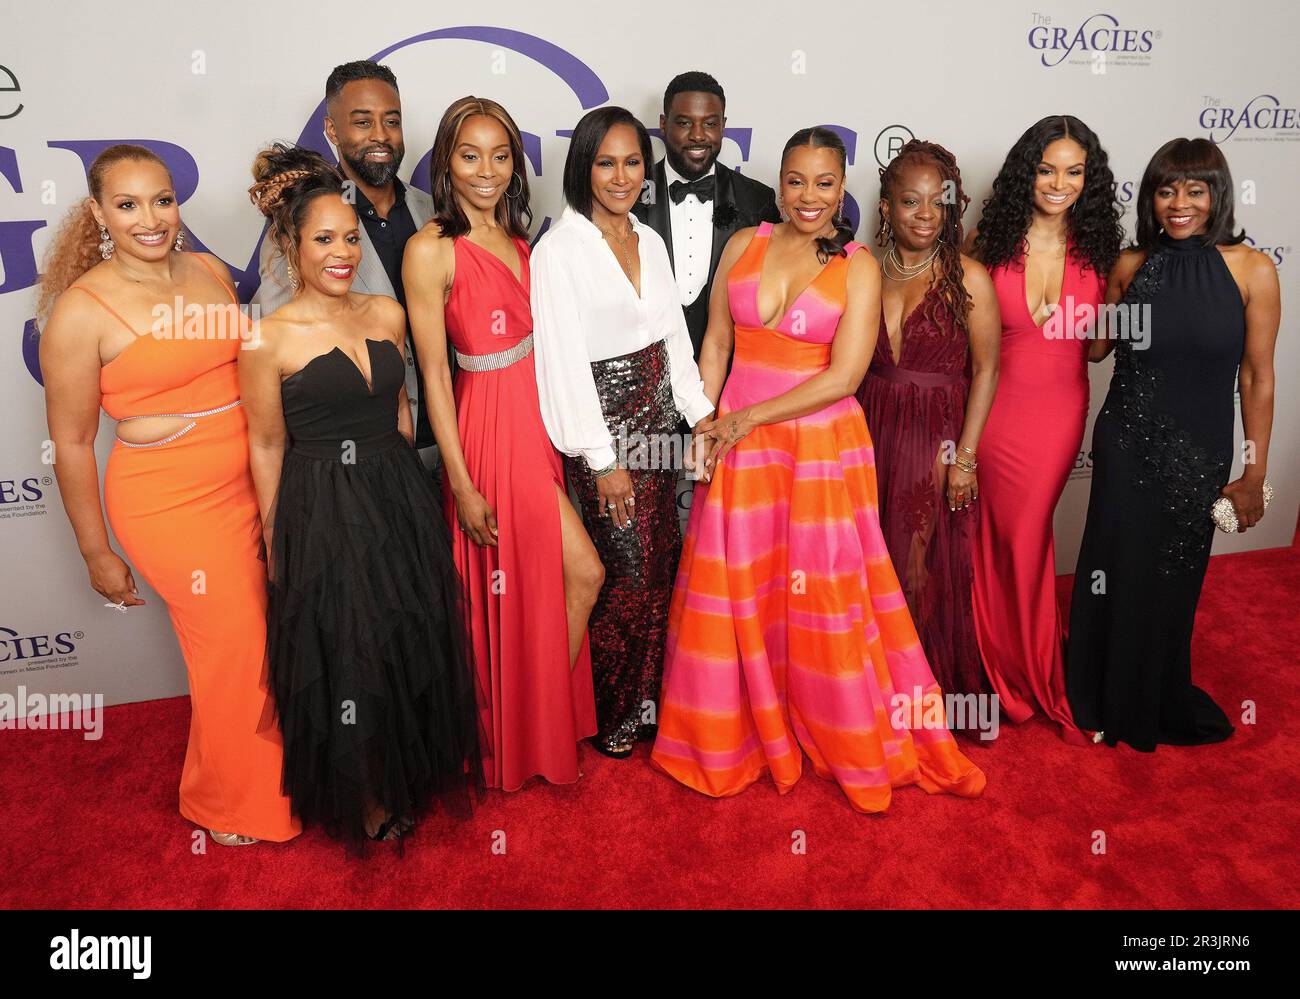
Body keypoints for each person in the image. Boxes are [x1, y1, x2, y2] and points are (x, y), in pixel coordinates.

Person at [651, 128, 987, 812]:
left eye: (825, 183)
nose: (809, 196)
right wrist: (706, 420)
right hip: (740, 444)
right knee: (742, 586)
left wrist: (746, 418)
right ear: (780, 183)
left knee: (821, 594)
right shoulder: (742, 245)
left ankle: (838, 721)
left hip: (817, 449)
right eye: (796, 180)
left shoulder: (858, 265)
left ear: (842, 189)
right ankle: (736, 728)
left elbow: (844, 377)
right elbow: (715, 343)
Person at [37, 144, 299, 846]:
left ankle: (260, 777)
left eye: (161, 200)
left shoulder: (210, 271)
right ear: (98, 213)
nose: (149, 219)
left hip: (255, 480)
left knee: (268, 636)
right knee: (236, 643)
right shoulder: (80, 313)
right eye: (127, 205)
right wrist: (95, 551)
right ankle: (228, 803)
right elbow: (71, 442)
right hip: (171, 504)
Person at [241, 144, 481, 850]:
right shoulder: (266, 339)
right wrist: (278, 535)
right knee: (352, 650)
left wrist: (407, 493)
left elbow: (402, 410)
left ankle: (411, 771)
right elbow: (266, 445)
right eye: (324, 240)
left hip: (394, 490)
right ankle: (367, 793)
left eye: (350, 238)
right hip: (321, 504)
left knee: (406, 635)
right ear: (291, 245)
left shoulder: (388, 313)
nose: (342, 253)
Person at [402, 96, 601, 790]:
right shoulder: (430, 248)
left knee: (544, 580)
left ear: (515, 163)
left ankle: (529, 725)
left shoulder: (521, 239)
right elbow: (433, 373)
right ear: (446, 163)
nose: (486, 170)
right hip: (487, 430)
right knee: (583, 572)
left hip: (536, 424)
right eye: (469, 155)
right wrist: (460, 482)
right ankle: (520, 727)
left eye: (499, 155)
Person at [1066, 138, 1280, 751]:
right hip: (1126, 443)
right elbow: (1097, 350)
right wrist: (1087, 285)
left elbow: (1257, 377)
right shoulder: (1130, 265)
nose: (1179, 203)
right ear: (1150, 198)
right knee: (1113, 568)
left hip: (1199, 455)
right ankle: (1100, 694)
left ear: (1218, 195)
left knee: (1172, 579)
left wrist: (1253, 472)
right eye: (1166, 190)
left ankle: (1155, 696)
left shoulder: (1252, 269)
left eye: (1194, 190)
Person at [532, 107, 714, 758]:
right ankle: (610, 711)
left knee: (661, 568)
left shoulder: (650, 240)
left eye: (632, 161)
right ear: (583, 166)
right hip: (606, 430)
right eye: (605, 162)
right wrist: (602, 460)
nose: (620, 176)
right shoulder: (558, 251)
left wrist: (699, 413)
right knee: (625, 577)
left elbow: (673, 340)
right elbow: (563, 364)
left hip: (661, 421)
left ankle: (649, 705)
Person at [966, 115, 1123, 744]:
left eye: (1074, 172)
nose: (1059, 183)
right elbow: (960, 336)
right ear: (1025, 173)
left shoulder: (1103, 251)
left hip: (1057, 411)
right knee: (984, 536)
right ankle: (984, 663)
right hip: (989, 408)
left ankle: (1032, 673)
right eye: (1046, 169)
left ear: (1090, 179)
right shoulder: (987, 242)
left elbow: (1097, 350)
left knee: (1026, 536)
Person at [856, 140, 1000, 701]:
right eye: (910, 201)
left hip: (935, 436)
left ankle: (914, 694)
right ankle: (868, 690)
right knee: (869, 561)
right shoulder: (865, 272)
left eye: (938, 202)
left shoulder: (969, 278)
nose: (925, 214)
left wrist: (965, 458)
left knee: (916, 566)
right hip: (868, 426)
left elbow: (986, 371)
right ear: (886, 206)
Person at [251, 60, 439, 466]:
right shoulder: (300, 221)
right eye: (363, 122)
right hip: (360, 458)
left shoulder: (433, 211)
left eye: (392, 121)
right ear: (332, 130)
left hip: (449, 441)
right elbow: (285, 354)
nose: (381, 135)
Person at [631, 70, 781, 358]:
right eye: (684, 123)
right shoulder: (630, 195)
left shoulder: (756, 200)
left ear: (723, 125)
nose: (698, 135)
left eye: (710, 123)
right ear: (663, 124)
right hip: (646, 369)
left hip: (731, 369)